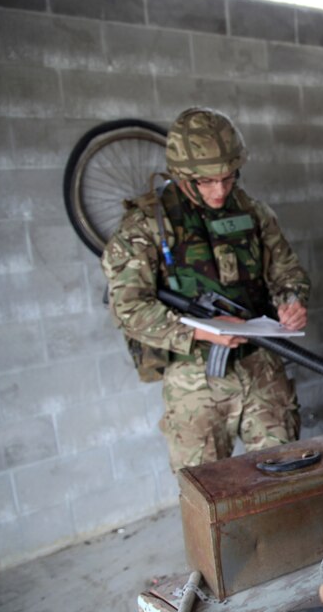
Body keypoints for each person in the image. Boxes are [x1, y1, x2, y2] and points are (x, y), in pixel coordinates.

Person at [102, 106, 310, 472]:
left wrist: (291, 301)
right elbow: (128, 307)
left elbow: (286, 271)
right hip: (195, 382)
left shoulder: (253, 211)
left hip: (261, 363)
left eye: (228, 178)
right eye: (206, 181)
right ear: (181, 174)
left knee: (285, 478)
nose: (219, 190)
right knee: (208, 494)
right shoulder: (147, 224)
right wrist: (204, 331)